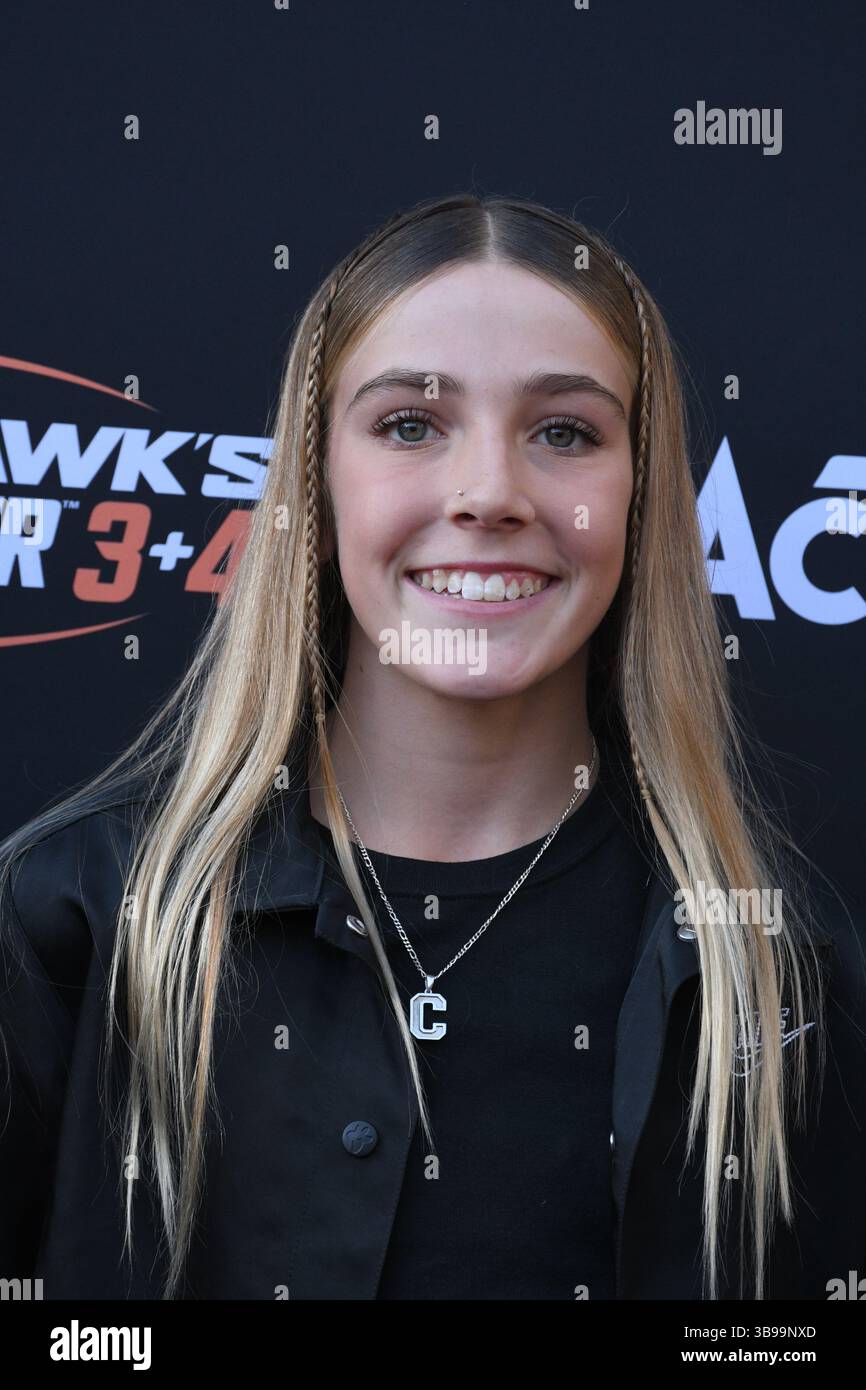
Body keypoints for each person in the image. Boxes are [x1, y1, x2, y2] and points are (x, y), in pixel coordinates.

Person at [1, 193, 863, 1302]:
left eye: (564, 431)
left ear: (640, 494)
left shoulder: (768, 973)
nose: (489, 493)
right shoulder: (64, 925)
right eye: (409, 423)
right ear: (313, 482)